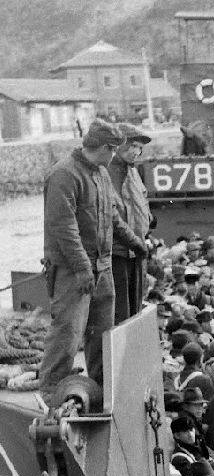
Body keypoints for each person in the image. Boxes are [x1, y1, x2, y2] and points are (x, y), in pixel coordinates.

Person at [39, 119, 147, 402]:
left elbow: (112, 217)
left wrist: (136, 242)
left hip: (102, 266)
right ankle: (52, 390)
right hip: (72, 270)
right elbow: (64, 227)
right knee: (68, 331)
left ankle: (99, 385)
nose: (115, 156)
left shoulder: (100, 173)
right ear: (105, 148)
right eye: (114, 150)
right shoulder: (64, 175)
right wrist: (82, 268)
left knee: (102, 332)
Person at [109, 124, 152, 323]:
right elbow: (112, 215)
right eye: (133, 145)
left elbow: (141, 201)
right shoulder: (109, 172)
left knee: (135, 306)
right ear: (120, 144)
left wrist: (148, 222)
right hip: (119, 251)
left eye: (140, 147)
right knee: (122, 310)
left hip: (136, 248)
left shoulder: (132, 171)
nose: (137, 151)